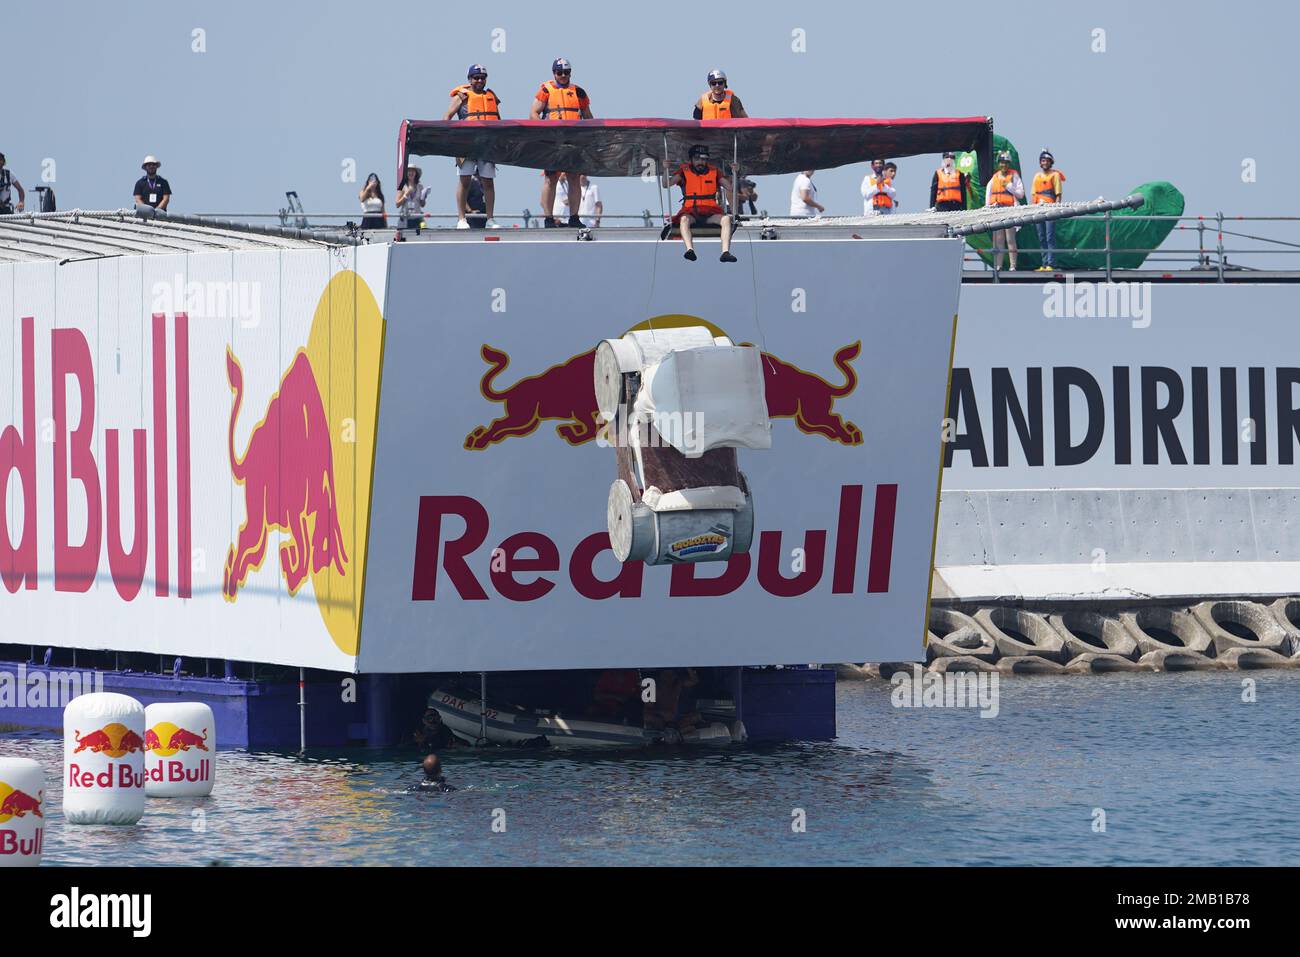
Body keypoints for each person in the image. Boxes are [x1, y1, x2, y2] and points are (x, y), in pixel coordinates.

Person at [530, 57, 592, 227]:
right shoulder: (546, 90)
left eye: (566, 72)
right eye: (560, 73)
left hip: (573, 140)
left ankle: (574, 217)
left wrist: (589, 138)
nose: (563, 75)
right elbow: (534, 113)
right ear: (554, 73)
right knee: (550, 178)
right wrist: (544, 132)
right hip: (552, 140)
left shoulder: (579, 92)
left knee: (574, 177)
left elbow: (588, 116)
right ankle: (548, 218)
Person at [444, 64, 502, 229]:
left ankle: (490, 219)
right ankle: (461, 219)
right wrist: (449, 139)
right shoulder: (461, 96)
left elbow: (498, 120)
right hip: (466, 144)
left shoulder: (491, 96)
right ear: (469, 79)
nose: (479, 80)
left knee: (488, 181)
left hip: (487, 145)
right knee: (465, 181)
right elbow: (447, 117)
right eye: (476, 77)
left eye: (482, 77)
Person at [663, 144, 738, 263]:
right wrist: (665, 169)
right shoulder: (684, 171)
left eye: (703, 159)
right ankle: (689, 250)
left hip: (710, 212)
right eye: (697, 159)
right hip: (691, 212)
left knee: (726, 220)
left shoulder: (715, 171)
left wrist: (734, 173)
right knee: (684, 220)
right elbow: (666, 184)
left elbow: (730, 187)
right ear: (691, 160)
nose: (700, 162)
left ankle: (725, 252)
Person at [984, 151, 1024, 271]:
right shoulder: (994, 177)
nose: (1004, 165)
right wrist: (988, 209)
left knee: (1010, 239)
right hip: (997, 211)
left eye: (1006, 163)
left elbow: (1021, 194)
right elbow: (988, 194)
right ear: (998, 164)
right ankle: (998, 265)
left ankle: (1013, 265)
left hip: (1009, 210)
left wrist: (1009, 187)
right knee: (998, 240)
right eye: (1002, 163)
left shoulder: (1014, 175)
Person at [1031, 149, 1066, 270]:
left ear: (1051, 162)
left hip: (1050, 208)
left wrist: (1055, 210)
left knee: (1049, 236)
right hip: (1038, 209)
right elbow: (1034, 194)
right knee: (1041, 237)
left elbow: (1058, 195)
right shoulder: (1037, 176)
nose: (1044, 163)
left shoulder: (1055, 176)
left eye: (1046, 160)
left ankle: (1051, 263)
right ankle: (1044, 262)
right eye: (1042, 160)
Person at [643, 668, 703, 734]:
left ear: (676, 676)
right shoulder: (652, 688)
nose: (669, 677)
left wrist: (687, 667)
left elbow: (694, 680)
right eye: (666, 674)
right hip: (661, 720)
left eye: (672, 674)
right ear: (660, 675)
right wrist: (661, 714)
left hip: (675, 720)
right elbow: (646, 712)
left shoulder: (678, 684)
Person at [394, 165, 429, 230]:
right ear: (406, 173)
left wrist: (424, 197)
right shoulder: (402, 186)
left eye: (413, 171)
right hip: (406, 219)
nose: (411, 173)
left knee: (421, 236)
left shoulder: (420, 186)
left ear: (416, 173)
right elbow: (397, 204)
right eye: (409, 171)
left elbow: (422, 205)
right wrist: (406, 194)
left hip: (417, 218)